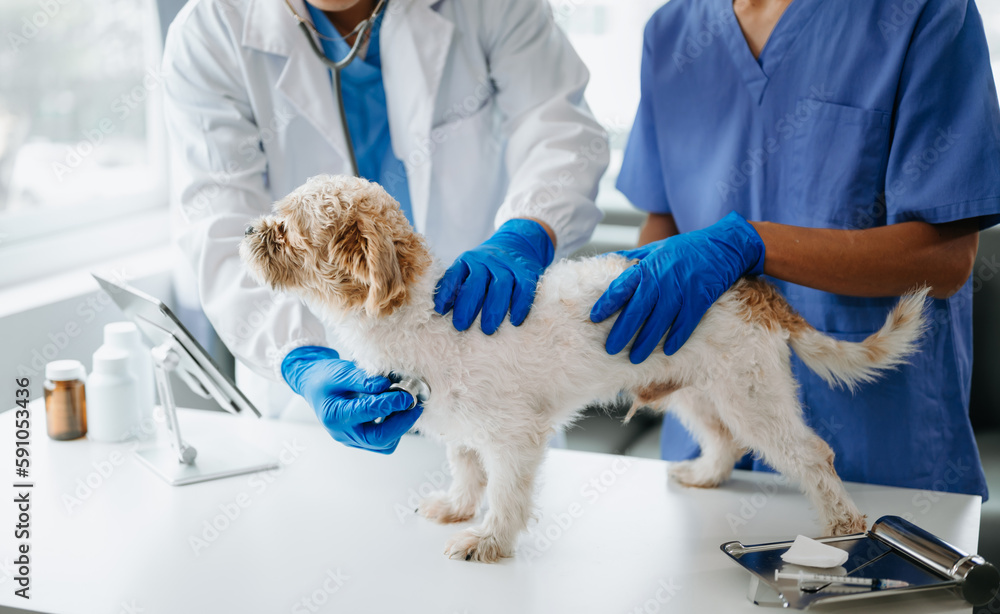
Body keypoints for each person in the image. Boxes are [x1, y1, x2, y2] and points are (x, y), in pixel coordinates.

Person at [593, 0, 1000, 498]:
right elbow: (663, 217)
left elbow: (946, 260)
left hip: (881, 459)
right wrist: (646, 332)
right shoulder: (672, 31)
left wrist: (755, 243)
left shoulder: (924, 13)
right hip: (714, 458)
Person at [163, 0, 608, 452]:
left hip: (484, 349)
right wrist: (301, 358)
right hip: (313, 394)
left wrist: (528, 229)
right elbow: (220, 221)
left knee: (497, 505)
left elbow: (558, 128)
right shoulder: (211, 29)